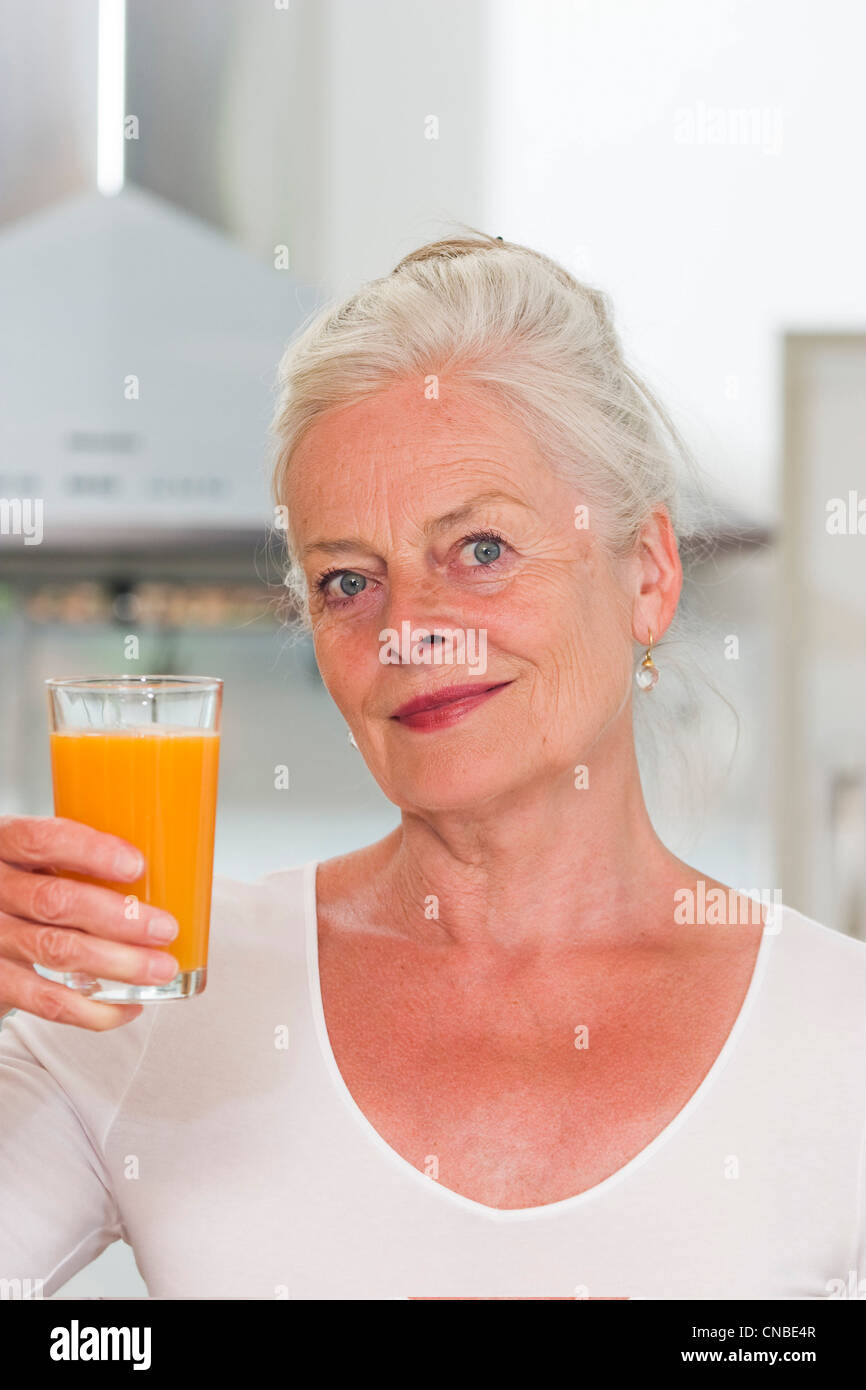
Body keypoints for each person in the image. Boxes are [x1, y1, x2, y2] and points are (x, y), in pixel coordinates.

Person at [1, 233, 864, 1300]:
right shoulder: (148, 992)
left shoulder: (843, 1040)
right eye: (348, 583)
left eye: (481, 551)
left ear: (644, 573)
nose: (409, 630)